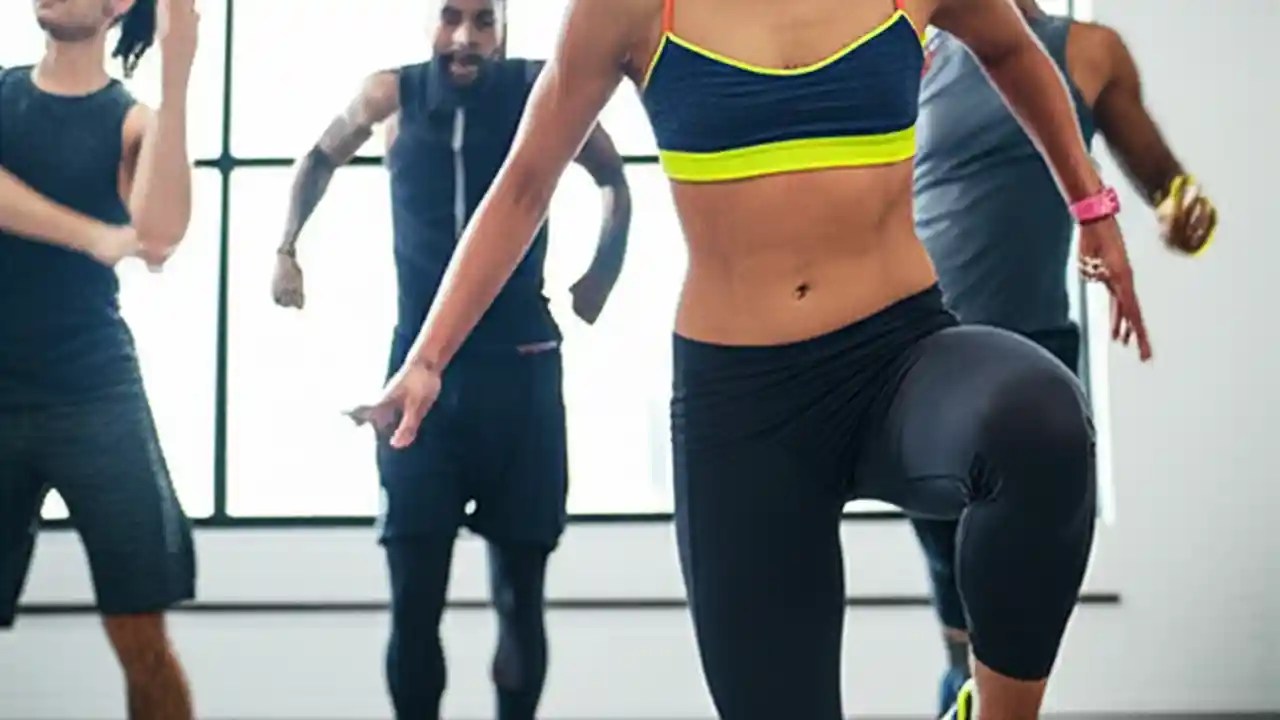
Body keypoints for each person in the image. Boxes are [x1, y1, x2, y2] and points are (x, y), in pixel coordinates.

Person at [352, 0, 1152, 717]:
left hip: (900, 358)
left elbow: (1014, 52)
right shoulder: (626, 9)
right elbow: (525, 185)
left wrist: (1093, 208)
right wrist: (428, 356)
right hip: (744, 408)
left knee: (1039, 420)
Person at [271, 1, 631, 717]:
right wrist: (286, 249)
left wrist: (603, 274)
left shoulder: (541, 88)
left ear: (505, 29)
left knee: (519, 602)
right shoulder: (389, 93)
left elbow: (613, 177)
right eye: (450, 18)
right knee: (413, 605)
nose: (464, 38)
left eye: (483, 22)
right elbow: (317, 157)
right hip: (418, 379)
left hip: (522, 375)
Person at [910, 1, 1218, 713]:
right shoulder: (914, 51)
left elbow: (1164, 184)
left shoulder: (1088, 52)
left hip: (1032, 362)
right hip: (922, 357)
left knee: (1012, 599)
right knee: (961, 619)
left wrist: (1183, 213)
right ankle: (961, 689)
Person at [0, 1, 199, 719]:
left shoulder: (134, 121)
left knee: (139, 629)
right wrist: (89, 235)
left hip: (93, 391)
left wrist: (177, 78)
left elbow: (160, 233)